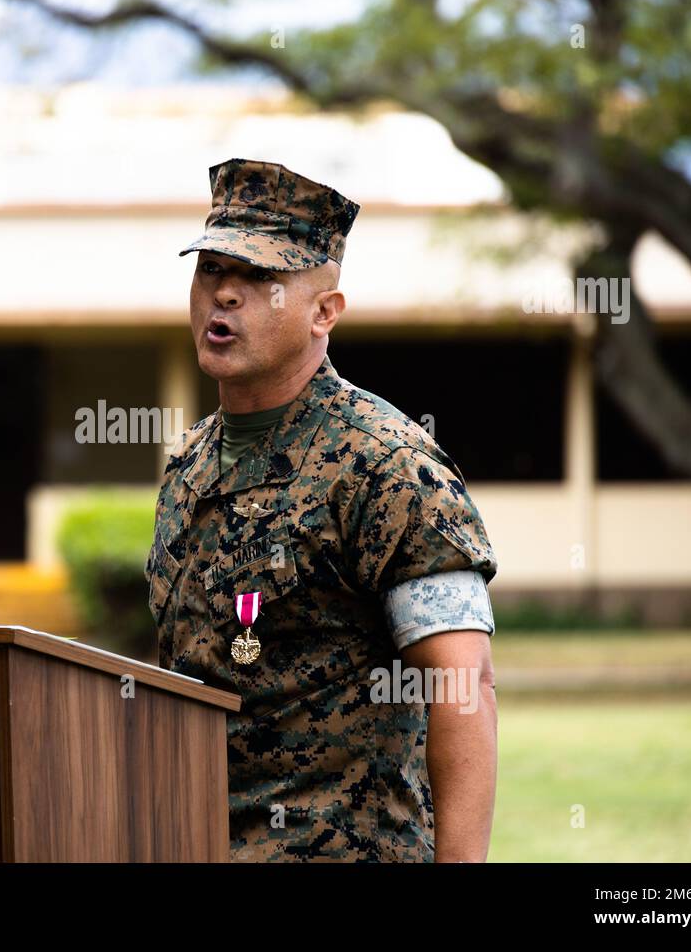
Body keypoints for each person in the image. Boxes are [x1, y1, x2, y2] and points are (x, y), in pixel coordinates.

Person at [146, 158, 499, 861]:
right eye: (212, 269)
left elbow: (464, 685)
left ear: (323, 312)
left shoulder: (386, 465)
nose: (225, 295)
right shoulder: (187, 467)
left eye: (261, 279)